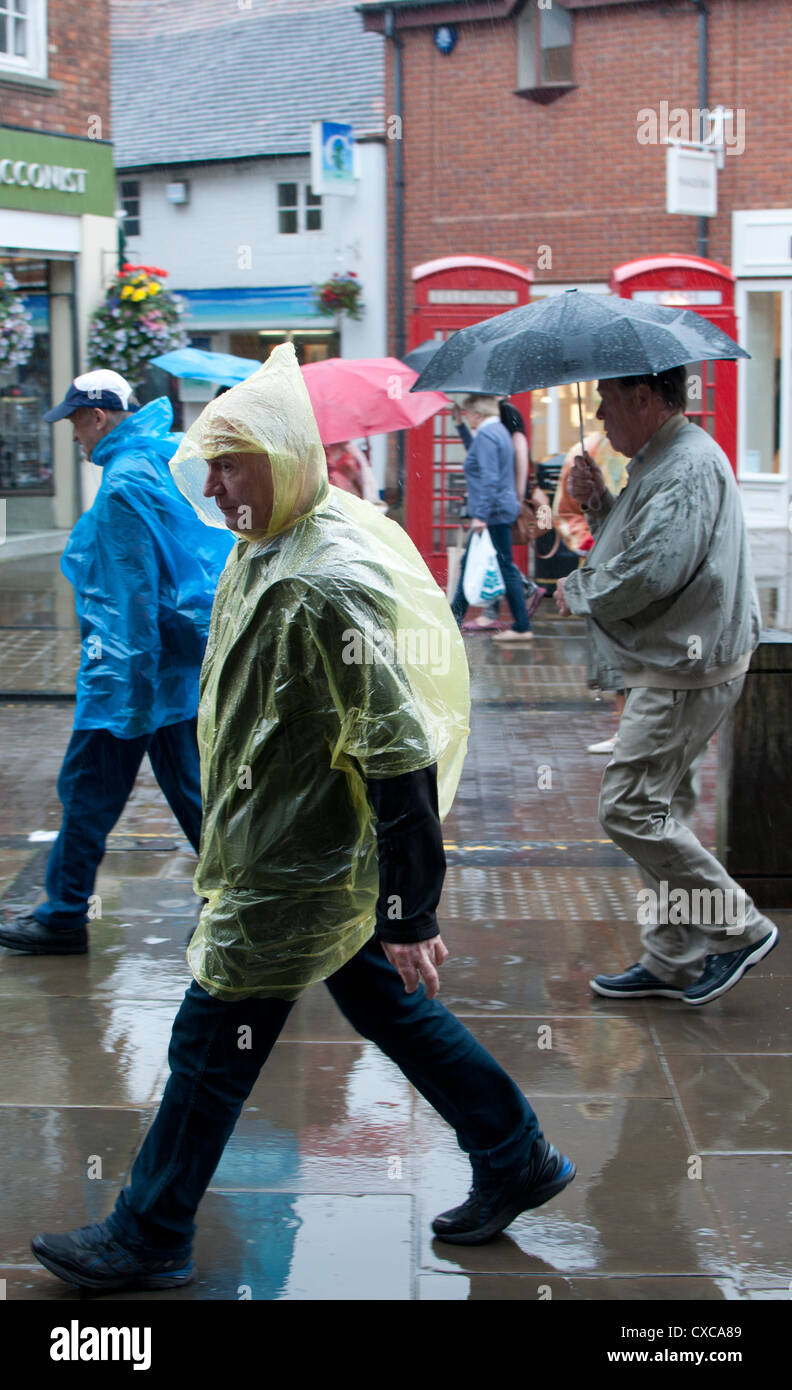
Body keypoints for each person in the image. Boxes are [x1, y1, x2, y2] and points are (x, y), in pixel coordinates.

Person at [31, 345, 574, 1292]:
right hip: (290, 854)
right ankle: (514, 1153)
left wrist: (412, 909)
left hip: (298, 867)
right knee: (385, 1008)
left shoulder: (324, 579)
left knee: (208, 1048)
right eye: (209, 462)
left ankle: (151, 1231)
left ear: (282, 461)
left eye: (230, 462)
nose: (210, 483)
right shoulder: (270, 540)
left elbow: (397, 748)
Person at [554, 367, 778, 1006]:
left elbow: (654, 569)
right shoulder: (666, 457)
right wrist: (599, 501)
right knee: (664, 806)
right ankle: (673, 956)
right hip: (681, 659)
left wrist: (577, 591)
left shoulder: (683, 466)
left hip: (683, 667)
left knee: (627, 807)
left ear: (645, 399)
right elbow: (645, 536)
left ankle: (739, 928)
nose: (601, 416)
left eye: (609, 402)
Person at [0, 369, 233, 957]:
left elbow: (130, 594)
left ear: (96, 417)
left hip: (130, 679)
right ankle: (240, 904)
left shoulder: (123, 483)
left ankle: (62, 917)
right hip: (171, 671)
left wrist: (126, 693)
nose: (73, 436)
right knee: (196, 793)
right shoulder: (158, 459)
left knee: (87, 792)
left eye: (75, 421)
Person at [553, 431, 629, 754]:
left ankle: (631, 730)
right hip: (601, 565)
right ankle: (624, 726)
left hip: (631, 569)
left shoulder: (654, 455)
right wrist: (590, 538)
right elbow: (566, 510)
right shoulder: (585, 451)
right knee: (611, 647)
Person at [449, 395, 533, 642]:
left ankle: (521, 625)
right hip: (500, 508)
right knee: (470, 562)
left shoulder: (486, 435)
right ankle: (454, 617)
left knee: (505, 567)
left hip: (493, 512)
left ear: (477, 414)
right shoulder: (497, 431)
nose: (466, 417)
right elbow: (475, 457)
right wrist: (458, 426)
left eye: (467, 414)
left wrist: (481, 516)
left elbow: (489, 478)